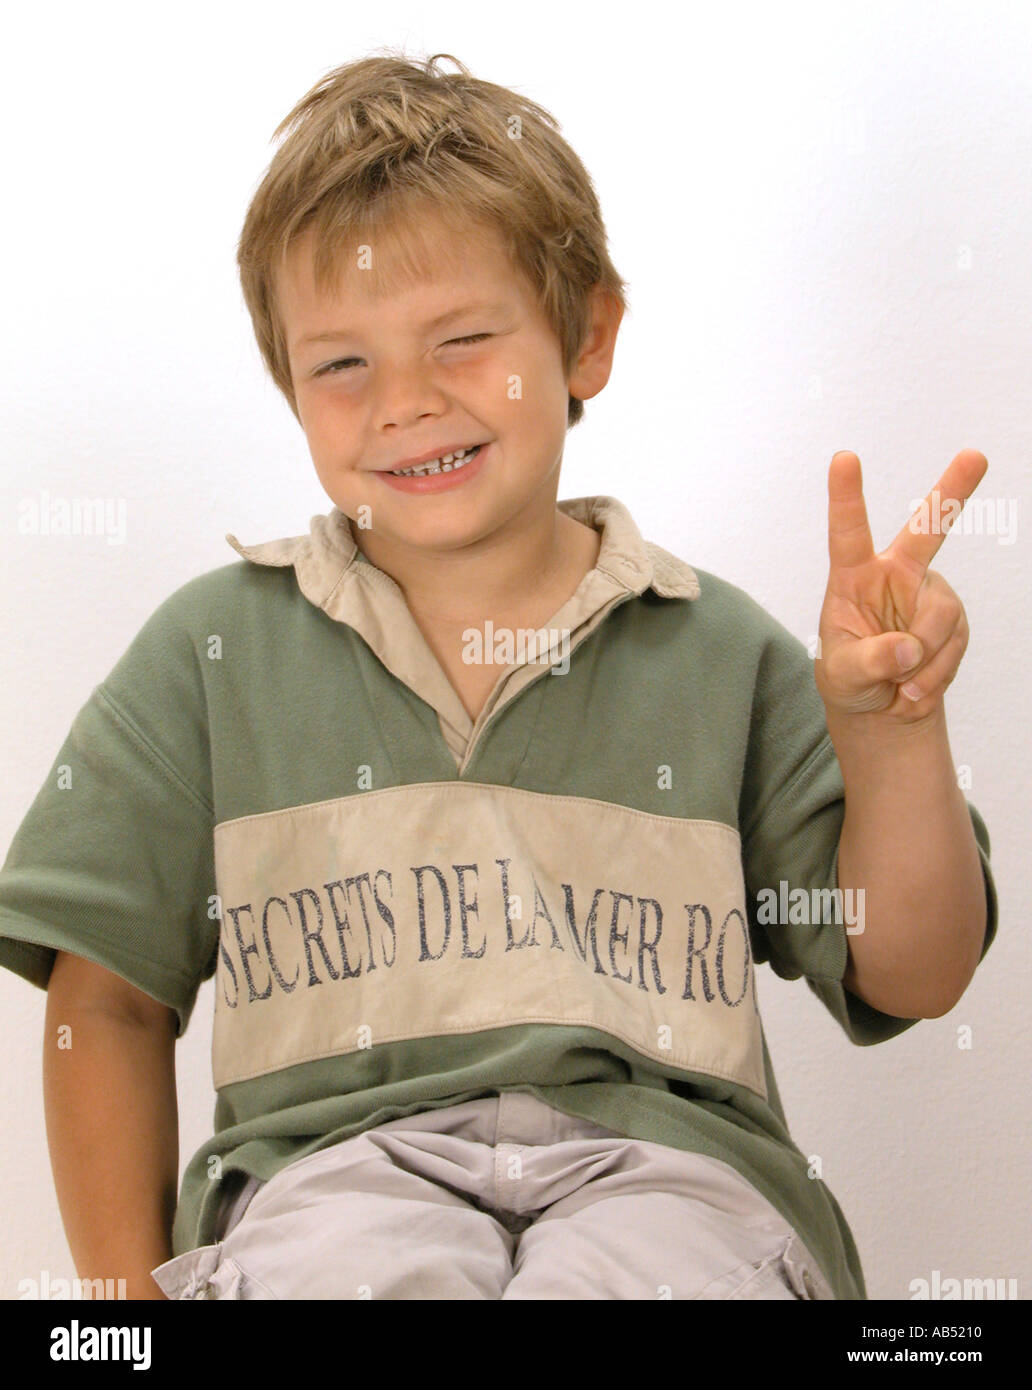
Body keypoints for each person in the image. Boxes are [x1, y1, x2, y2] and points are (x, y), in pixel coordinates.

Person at [0, 50, 998, 1301]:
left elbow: (916, 970)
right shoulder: (210, 652)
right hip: (329, 1173)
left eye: (462, 340)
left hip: (670, 1174)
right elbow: (110, 1002)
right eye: (342, 364)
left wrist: (892, 730)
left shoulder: (718, 649)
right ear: (288, 389)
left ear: (585, 337)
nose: (406, 402)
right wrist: (121, 1301)